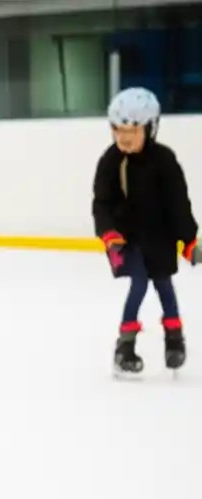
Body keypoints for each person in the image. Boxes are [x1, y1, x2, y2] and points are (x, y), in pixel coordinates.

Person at [94, 86, 198, 376]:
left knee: (164, 284)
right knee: (138, 283)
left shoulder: (164, 160)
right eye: (118, 130)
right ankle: (125, 346)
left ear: (151, 128)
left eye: (132, 131)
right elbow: (101, 202)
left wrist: (188, 239)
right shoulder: (111, 161)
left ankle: (174, 341)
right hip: (127, 240)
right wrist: (109, 234)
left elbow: (178, 202)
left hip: (160, 237)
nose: (123, 138)